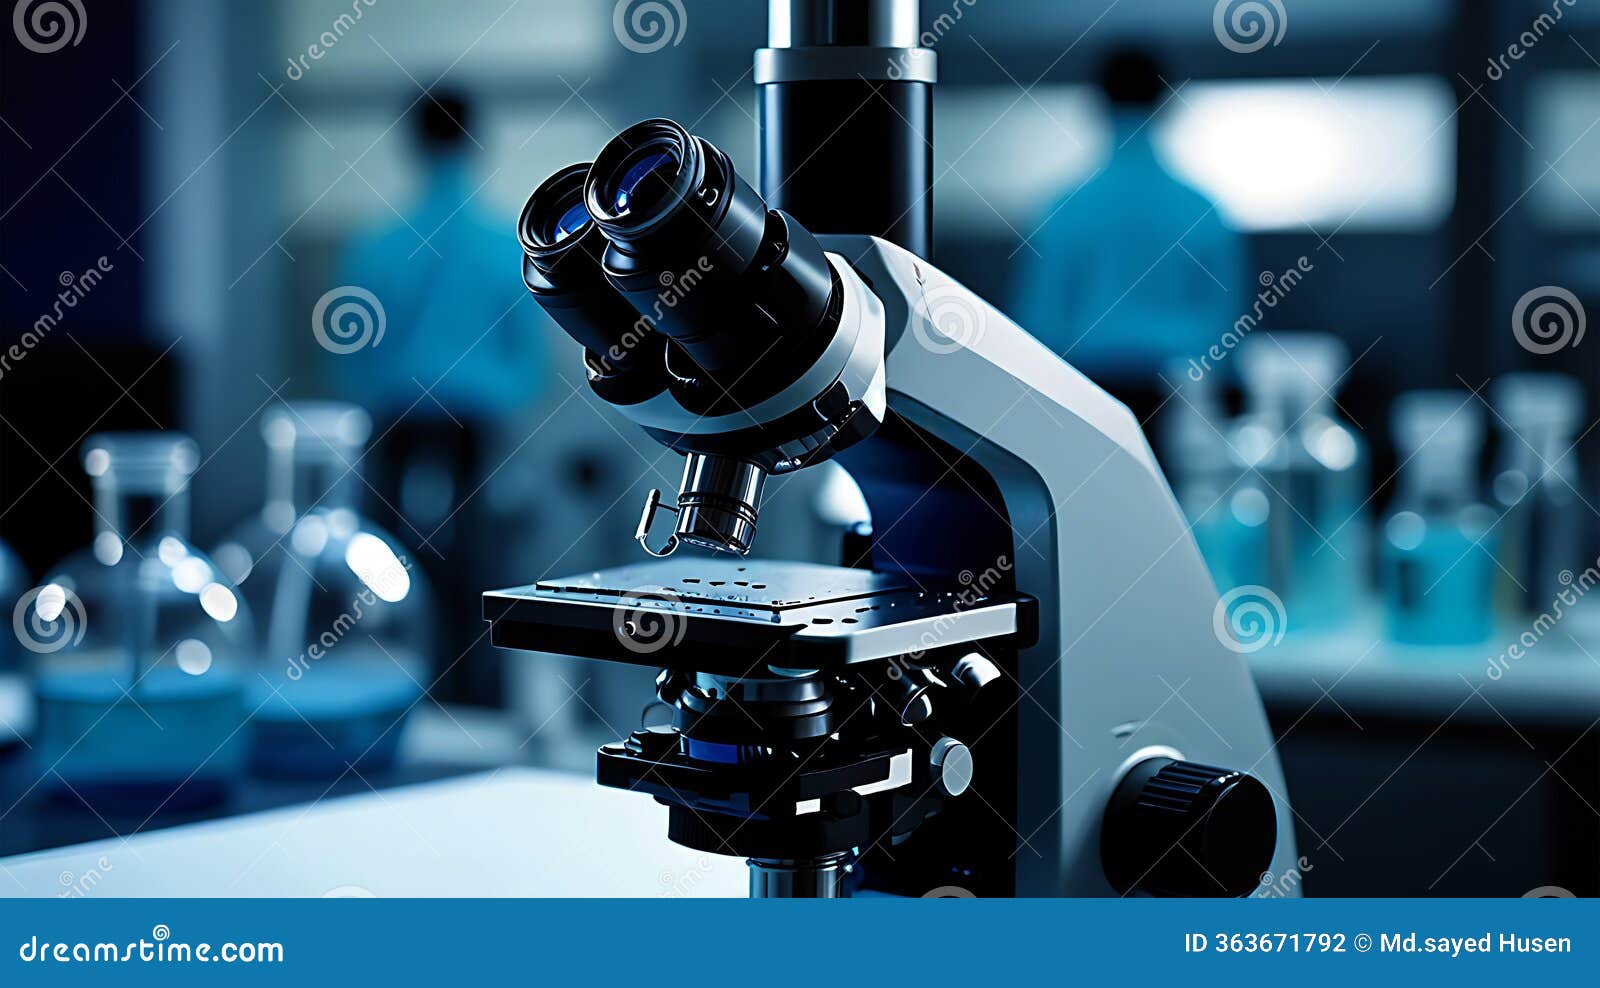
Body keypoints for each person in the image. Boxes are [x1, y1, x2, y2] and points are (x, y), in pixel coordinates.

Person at [331, 91, 547, 703]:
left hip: (395, 418)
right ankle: (479, 696)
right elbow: (527, 361)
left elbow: (350, 356)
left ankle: (392, 683)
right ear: (476, 142)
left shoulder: (376, 247)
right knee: (486, 561)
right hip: (479, 423)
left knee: (383, 560)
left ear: (412, 144)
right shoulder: (505, 246)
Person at [1012, 46, 1244, 422]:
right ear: (1169, 103)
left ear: (1096, 104)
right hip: (1183, 400)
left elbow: (1040, 326)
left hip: (1086, 396)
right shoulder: (1203, 211)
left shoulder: (1063, 210)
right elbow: (1227, 330)